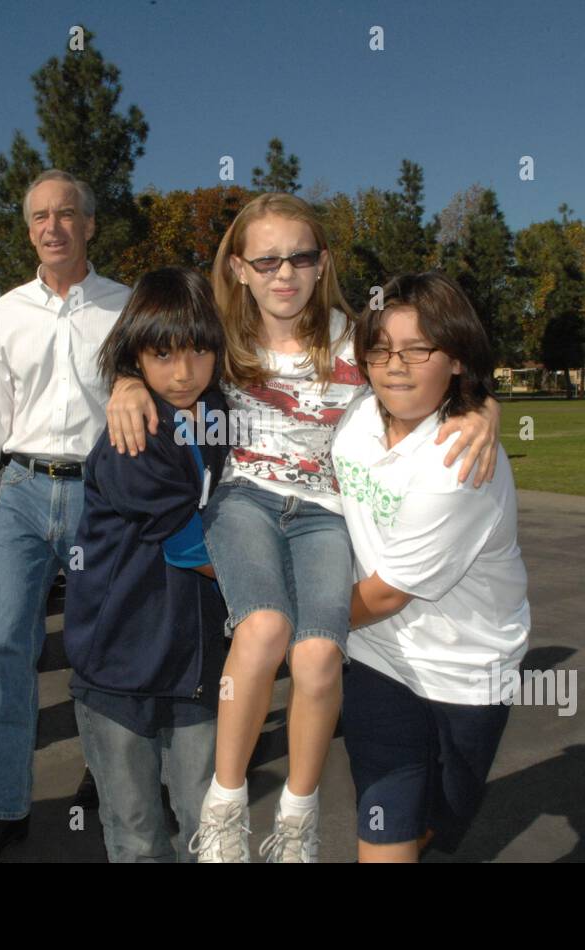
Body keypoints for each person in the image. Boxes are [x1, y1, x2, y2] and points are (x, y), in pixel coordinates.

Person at [107, 194, 502, 861]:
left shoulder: (355, 341)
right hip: (245, 501)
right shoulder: (222, 340)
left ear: (322, 265)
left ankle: (297, 817)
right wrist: (124, 380)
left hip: (324, 512)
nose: (284, 272)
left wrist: (484, 404)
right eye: (266, 259)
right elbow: (152, 345)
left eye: (300, 257)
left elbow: (432, 363)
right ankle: (226, 805)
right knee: (263, 628)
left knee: (319, 653)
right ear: (237, 267)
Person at [0, 170, 131, 862]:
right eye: (39, 218)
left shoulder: (125, 307)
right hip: (22, 491)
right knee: (5, 643)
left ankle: (107, 779)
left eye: (65, 214)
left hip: (101, 492)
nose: (52, 227)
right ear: (28, 229)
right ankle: (5, 806)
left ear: (89, 224)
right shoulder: (4, 313)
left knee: (98, 645)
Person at [334, 272, 529, 862]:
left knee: (439, 823)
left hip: (465, 671)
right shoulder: (354, 416)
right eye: (381, 350)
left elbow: (388, 595)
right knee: (386, 823)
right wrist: (134, 381)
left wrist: (290, 626)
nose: (395, 365)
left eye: (418, 350)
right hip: (376, 662)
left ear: (457, 360)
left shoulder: (458, 463)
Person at [64, 267, 231, 862]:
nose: (183, 372)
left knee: (207, 824)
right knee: (134, 831)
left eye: (199, 350)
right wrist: (276, 592)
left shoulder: (225, 418)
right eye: (161, 356)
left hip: (201, 663)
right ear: (135, 354)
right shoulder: (130, 437)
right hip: (119, 662)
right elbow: (190, 547)